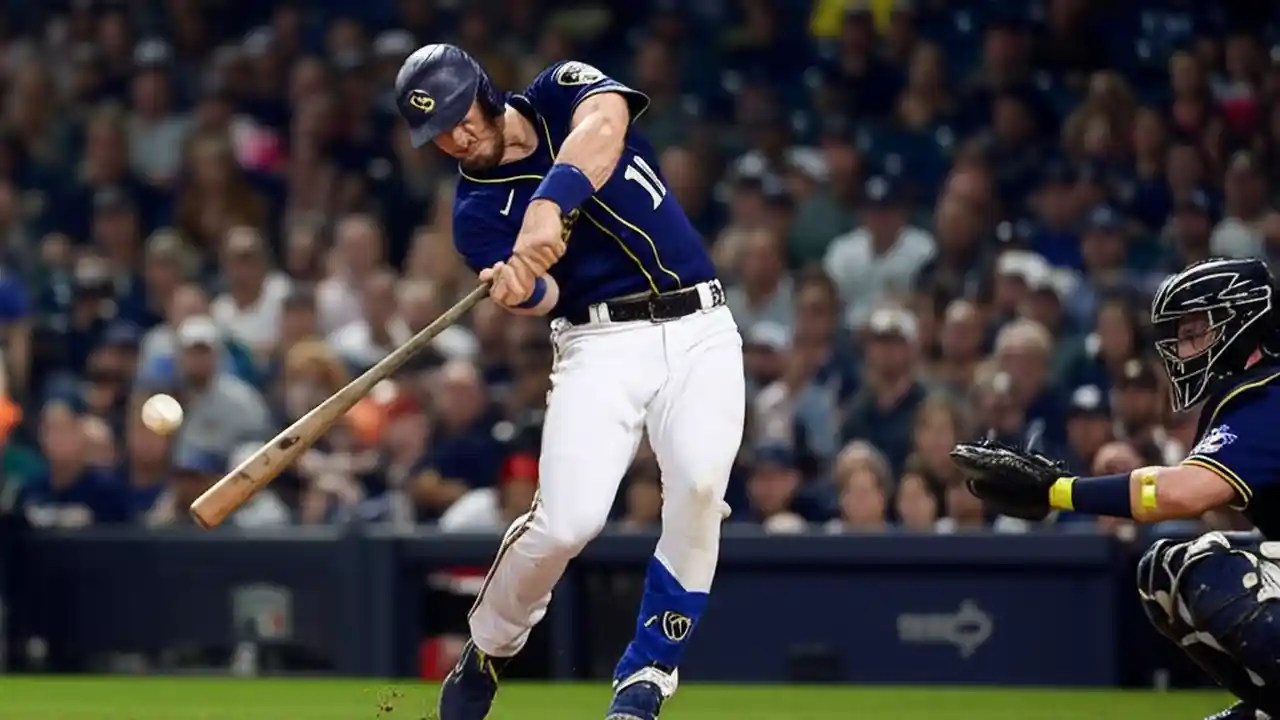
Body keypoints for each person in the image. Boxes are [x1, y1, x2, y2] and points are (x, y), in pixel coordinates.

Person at [393, 44, 744, 720]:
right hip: (599, 340)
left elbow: (606, 126)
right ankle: (489, 646)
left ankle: (646, 675)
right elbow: (549, 295)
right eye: (437, 133)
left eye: (459, 115)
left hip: (701, 321)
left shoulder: (558, 91)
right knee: (567, 524)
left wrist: (549, 204)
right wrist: (518, 288)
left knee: (699, 488)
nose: (455, 137)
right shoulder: (473, 214)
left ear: (483, 91)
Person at [953, 257, 1280, 719]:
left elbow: (1180, 493)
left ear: (1242, 322)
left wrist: (1058, 491)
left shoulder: (1266, 394)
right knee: (1166, 569)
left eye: (1193, 334)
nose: (1181, 351)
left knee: (1182, 566)